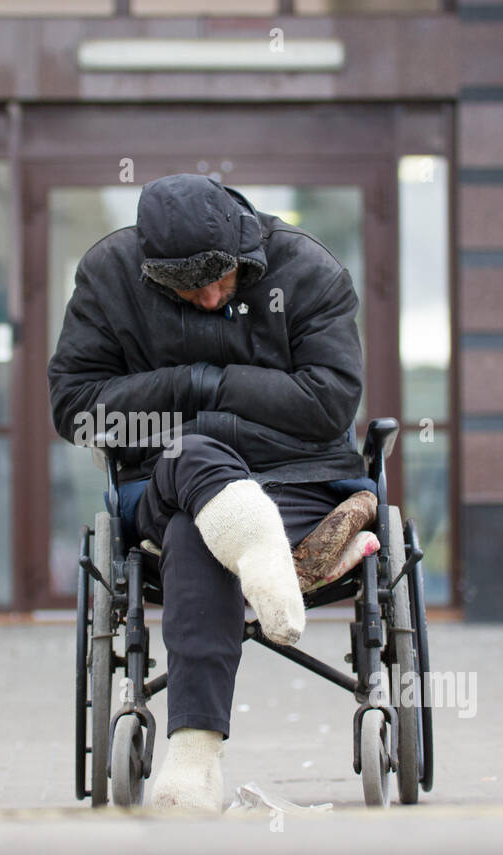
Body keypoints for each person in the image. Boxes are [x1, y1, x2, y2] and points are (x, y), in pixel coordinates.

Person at [48, 173, 375, 813]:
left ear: (242, 254)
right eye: (186, 288)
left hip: (290, 483)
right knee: (186, 469)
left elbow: (331, 402)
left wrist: (207, 390)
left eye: (218, 281)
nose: (206, 298)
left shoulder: (308, 271)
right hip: (163, 478)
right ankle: (238, 523)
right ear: (152, 273)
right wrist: (193, 382)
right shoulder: (108, 275)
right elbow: (77, 411)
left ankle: (193, 758)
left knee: (196, 525)